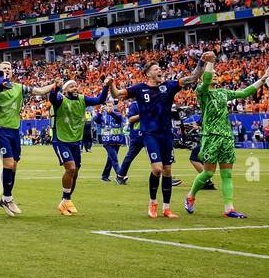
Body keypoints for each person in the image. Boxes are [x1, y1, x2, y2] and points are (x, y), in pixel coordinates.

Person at [185, 52, 269, 218]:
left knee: (227, 174)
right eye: (213, 73)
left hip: (226, 137)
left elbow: (244, 93)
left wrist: (263, 78)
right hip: (211, 136)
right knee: (208, 173)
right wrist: (211, 61)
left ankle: (229, 209)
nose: (215, 75)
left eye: (216, 73)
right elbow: (206, 79)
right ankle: (190, 196)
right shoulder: (201, 91)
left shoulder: (223, 92)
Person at [111, 61, 189, 219]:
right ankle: (153, 203)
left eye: (160, 68)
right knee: (157, 169)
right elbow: (116, 94)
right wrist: (111, 84)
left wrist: (203, 62)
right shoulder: (139, 88)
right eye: (156, 69)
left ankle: (166, 208)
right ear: (148, 73)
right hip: (149, 133)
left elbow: (192, 78)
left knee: (167, 170)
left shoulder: (169, 86)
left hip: (166, 134)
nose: (160, 70)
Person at [0, 61, 55, 216]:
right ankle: (8, 198)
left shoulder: (18, 87)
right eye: (4, 68)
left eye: (9, 68)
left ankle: (5, 198)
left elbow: (39, 91)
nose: (7, 70)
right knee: (9, 163)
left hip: (14, 130)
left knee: (14, 165)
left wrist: (53, 85)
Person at [46, 78, 111, 215]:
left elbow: (99, 100)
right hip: (61, 139)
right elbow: (52, 98)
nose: (75, 88)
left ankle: (65, 201)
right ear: (65, 90)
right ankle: (66, 199)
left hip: (76, 140)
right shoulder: (60, 99)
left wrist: (105, 86)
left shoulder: (82, 99)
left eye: (76, 86)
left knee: (75, 172)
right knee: (70, 168)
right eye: (71, 86)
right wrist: (55, 87)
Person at [94, 101, 128, 183]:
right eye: (107, 106)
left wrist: (111, 112)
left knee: (111, 159)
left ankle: (104, 176)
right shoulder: (103, 115)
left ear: (113, 107)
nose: (109, 107)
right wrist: (99, 112)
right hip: (107, 140)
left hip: (117, 140)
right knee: (114, 158)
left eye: (110, 106)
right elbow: (96, 120)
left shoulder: (117, 114)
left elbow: (119, 118)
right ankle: (120, 176)